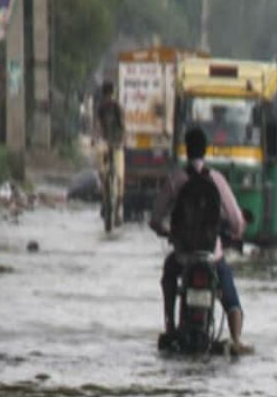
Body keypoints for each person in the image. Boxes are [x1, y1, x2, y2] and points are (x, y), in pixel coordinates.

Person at [149, 127, 253, 355]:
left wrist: (166, 231)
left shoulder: (175, 180)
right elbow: (236, 221)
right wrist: (236, 232)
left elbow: (155, 218)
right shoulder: (217, 180)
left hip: (182, 256)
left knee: (168, 275)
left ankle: (169, 324)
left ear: (186, 150)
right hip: (211, 256)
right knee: (229, 292)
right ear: (205, 151)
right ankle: (236, 338)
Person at [95, 81, 126, 222]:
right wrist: (98, 137)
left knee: (118, 177)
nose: (108, 98)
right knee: (106, 174)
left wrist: (120, 142)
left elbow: (122, 127)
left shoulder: (116, 107)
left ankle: (117, 209)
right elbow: (97, 125)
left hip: (115, 144)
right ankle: (105, 200)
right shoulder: (101, 108)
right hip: (107, 144)